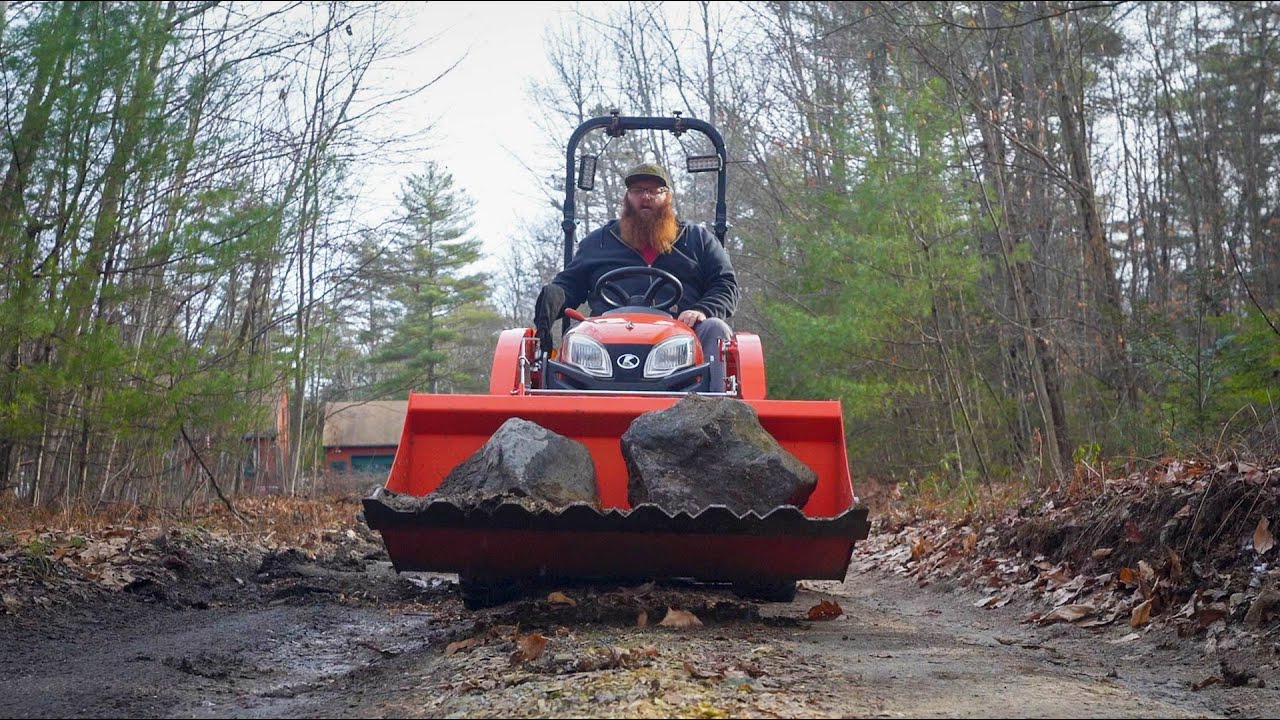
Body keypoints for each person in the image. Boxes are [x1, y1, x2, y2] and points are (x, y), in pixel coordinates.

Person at [534, 162, 739, 386]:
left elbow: (725, 284)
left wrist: (702, 310)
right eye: (638, 191)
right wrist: (553, 298)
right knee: (576, 335)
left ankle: (715, 403)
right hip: (607, 333)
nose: (646, 197)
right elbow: (570, 285)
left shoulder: (697, 239)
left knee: (715, 328)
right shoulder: (599, 242)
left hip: (683, 334)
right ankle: (560, 405)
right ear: (627, 197)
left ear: (667, 196)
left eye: (654, 191)